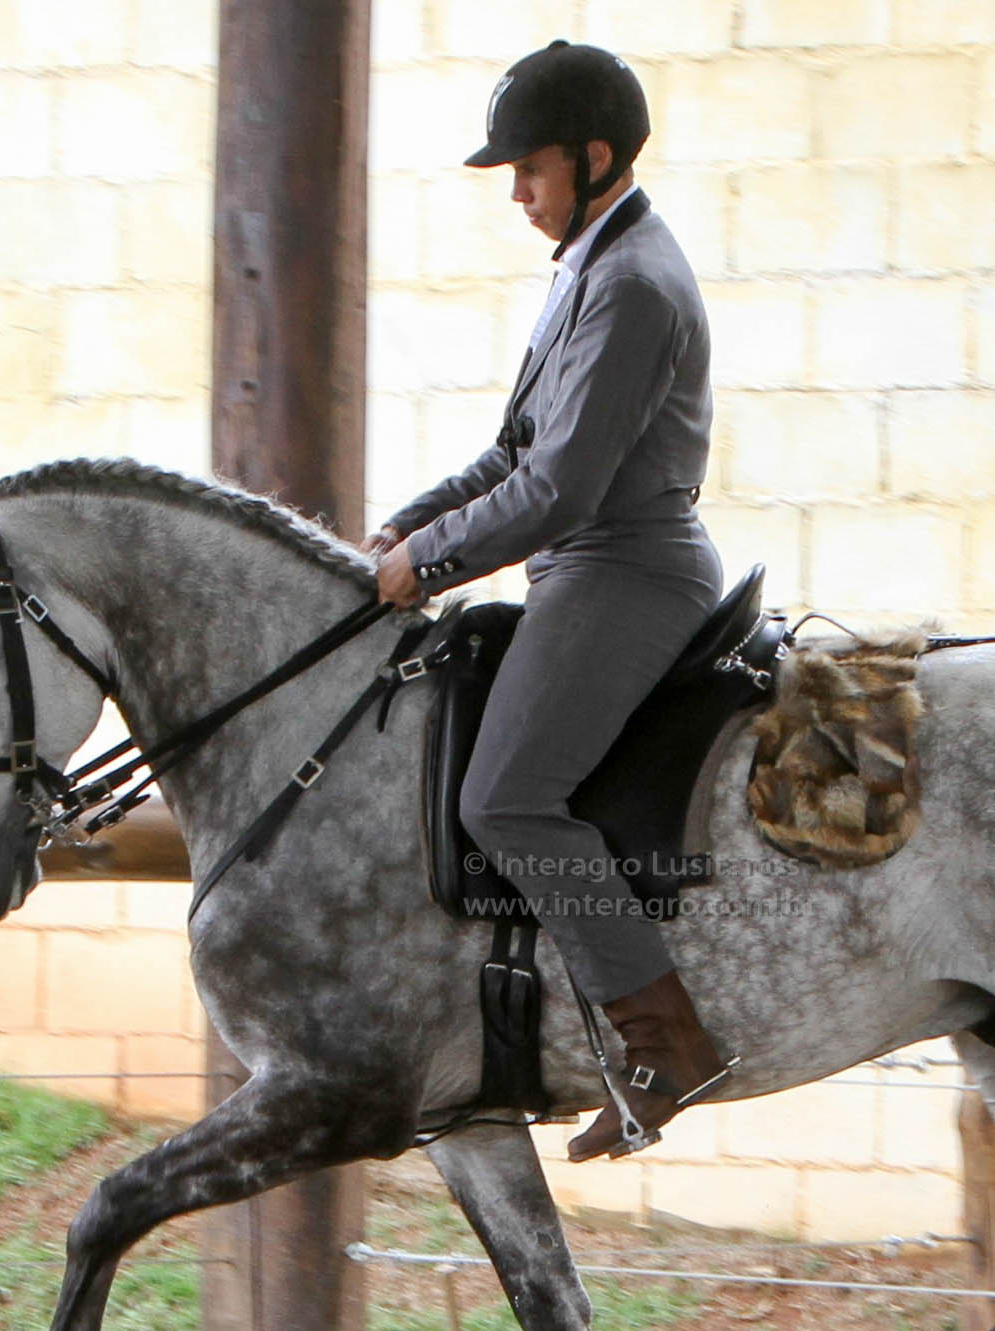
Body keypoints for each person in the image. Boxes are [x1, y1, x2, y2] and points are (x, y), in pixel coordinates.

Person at [368, 40, 733, 1162]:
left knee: (508, 796)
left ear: (594, 155)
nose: (517, 191)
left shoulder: (631, 285)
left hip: (624, 566)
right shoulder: (589, 263)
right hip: (582, 559)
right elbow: (511, 452)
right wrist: (404, 527)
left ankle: (662, 1038)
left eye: (530, 168)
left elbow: (558, 488)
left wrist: (428, 568)